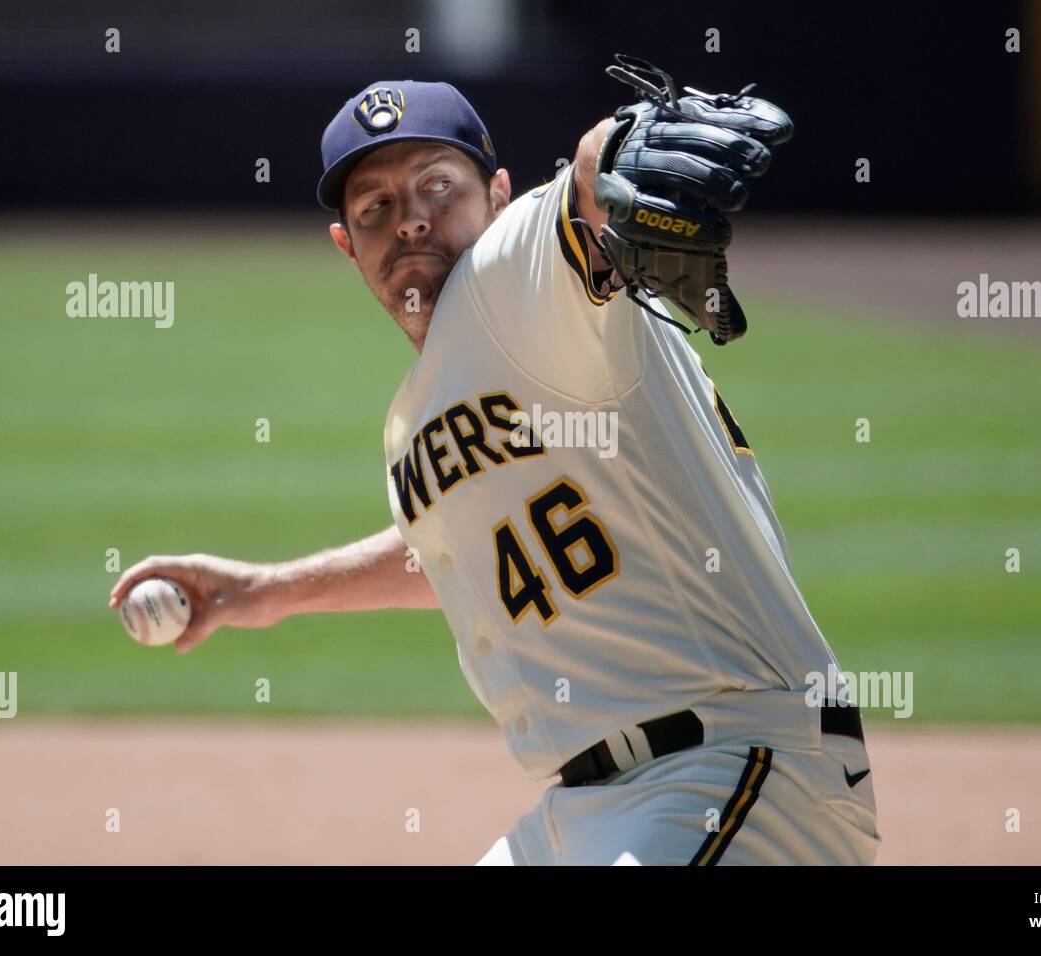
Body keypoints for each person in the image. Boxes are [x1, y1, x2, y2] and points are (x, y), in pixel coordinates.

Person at [110, 76, 880, 865]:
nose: (409, 218)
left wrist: (617, 141)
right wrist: (262, 592)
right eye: (374, 207)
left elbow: (584, 184)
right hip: (588, 809)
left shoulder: (513, 282)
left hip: (733, 772)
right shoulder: (417, 422)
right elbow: (455, 552)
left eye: (437, 187)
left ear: (499, 194)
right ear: (348, 244)